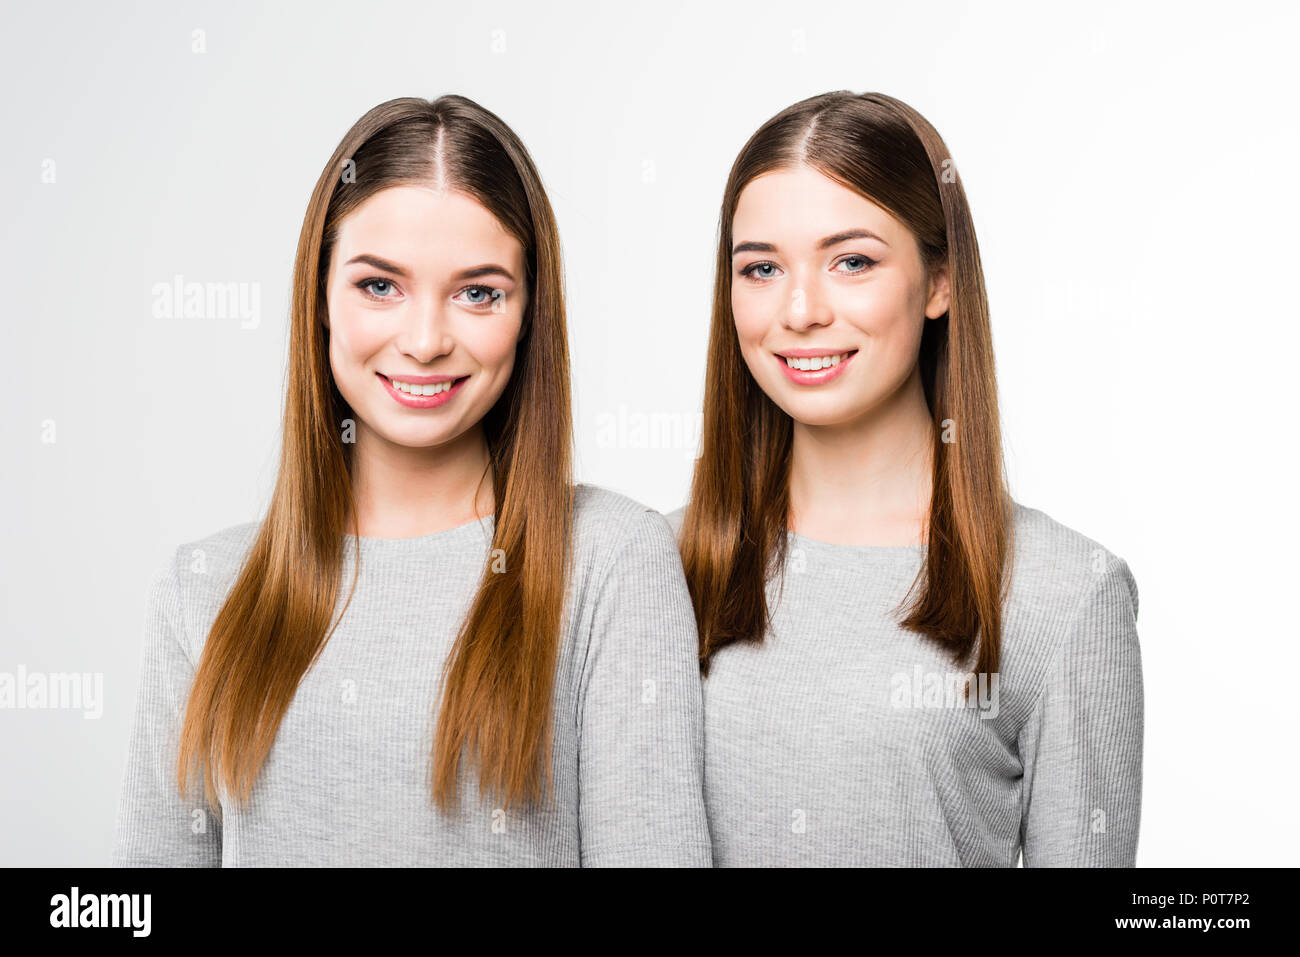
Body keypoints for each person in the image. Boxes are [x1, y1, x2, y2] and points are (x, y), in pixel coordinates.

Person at [112, 95, 711, 867]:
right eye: (380, 285)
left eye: (478, 292)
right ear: (320, 297)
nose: (425, 340)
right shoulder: (203, 587)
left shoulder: (613, 559)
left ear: (529, 313)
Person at [668, 90, 1143, 867]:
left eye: (851, 261)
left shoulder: (1064, 592)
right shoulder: (655, 564)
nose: (798, 309)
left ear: (939, 282)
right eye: (760, 268)